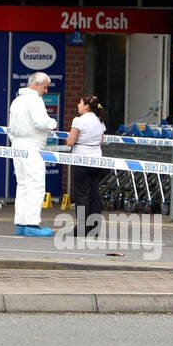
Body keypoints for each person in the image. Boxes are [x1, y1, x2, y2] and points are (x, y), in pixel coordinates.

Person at [7, 71, 57, 236]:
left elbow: (11, 129)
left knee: (22, 184)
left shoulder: (16, 101)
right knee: (36, 184)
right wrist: (53, 123)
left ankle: (20, 223)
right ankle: (32, 224)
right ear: (36, 85)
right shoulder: (35, 101)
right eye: (45, 87)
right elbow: (41, 122)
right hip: (32, 146)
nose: (46, 91)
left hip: (17, 145)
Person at [65, 95, 106, 240]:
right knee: (94, 193)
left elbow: (70, 141)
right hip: (97, 160)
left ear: (87, 106)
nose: (78, 105)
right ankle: (94, 228)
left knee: (82, 194)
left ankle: (82, 228)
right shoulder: (100, 121)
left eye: (80, 103)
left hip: (82, 160)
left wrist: (69, 139)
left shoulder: (79, 121)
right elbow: (101, 141)